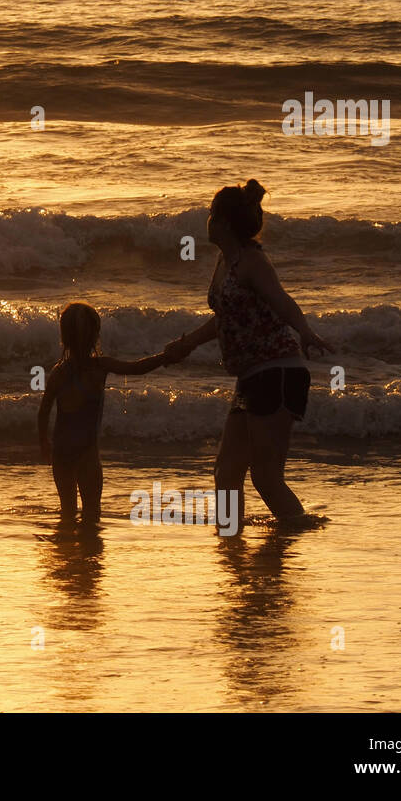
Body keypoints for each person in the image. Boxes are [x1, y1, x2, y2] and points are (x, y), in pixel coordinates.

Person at [164, 179, 333, 535]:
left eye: (212, 214)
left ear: (224, 222)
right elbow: (227, 317)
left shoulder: (253, 261)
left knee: (266, 478)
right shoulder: (226, 261)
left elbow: (281, 300)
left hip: (278, 373)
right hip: (251, 377)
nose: (207, 219)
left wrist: (303, 330)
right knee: (226, 472)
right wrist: (187, 345)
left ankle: (298, 540)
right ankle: (230, 541)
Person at [37, 302, 175, 524]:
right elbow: (137, 368)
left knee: (68, 511)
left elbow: (43, 411)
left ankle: (67, 553)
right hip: (86, 452)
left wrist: (44, 442)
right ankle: (87, 554)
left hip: (61, 452)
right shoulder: (100, 366)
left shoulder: (58, 372)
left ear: (64, 337)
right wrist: (164, 357)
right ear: (95, 336)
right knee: (92, 513)